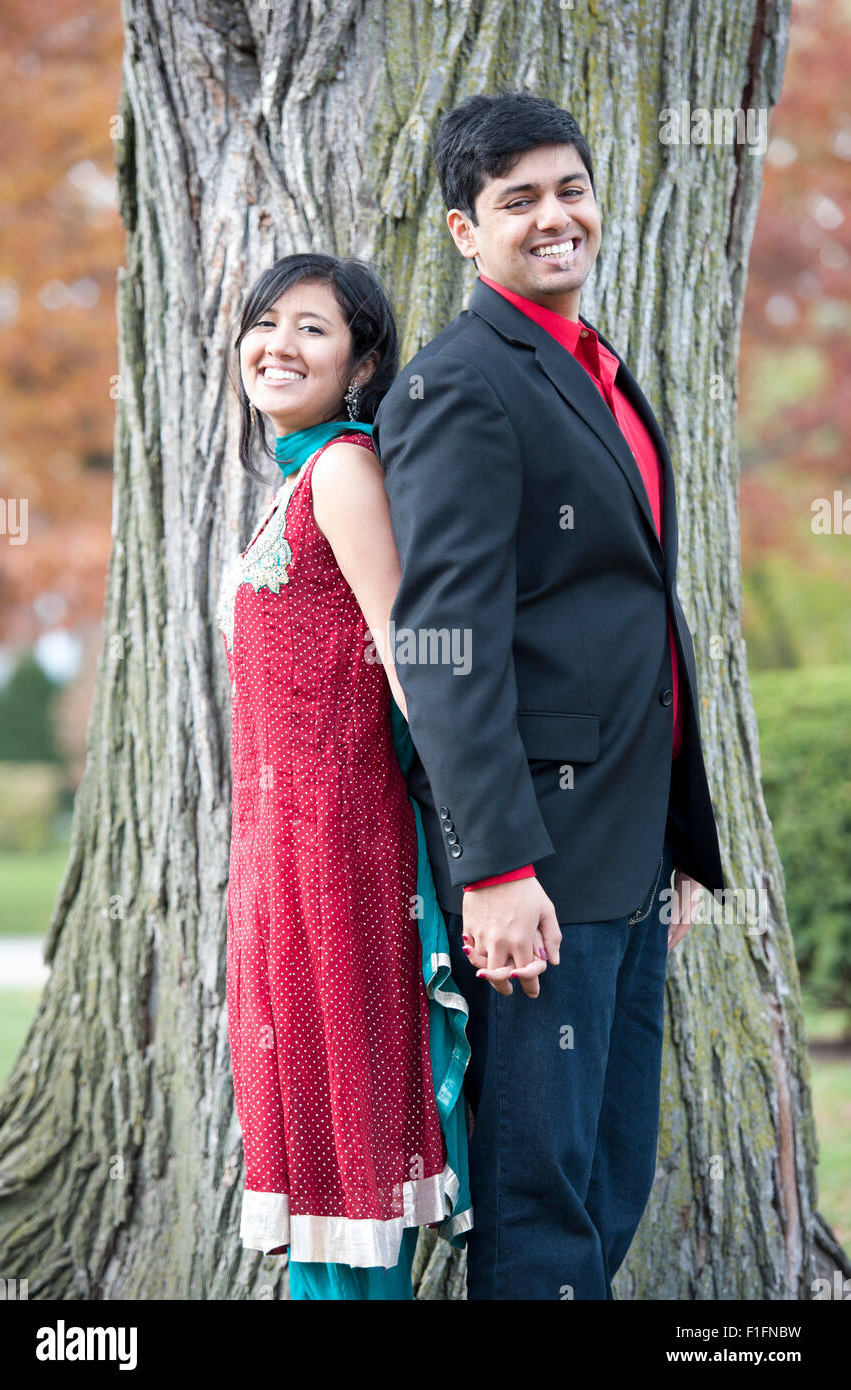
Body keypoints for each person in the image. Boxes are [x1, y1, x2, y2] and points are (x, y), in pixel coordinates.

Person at [372, 91, 726, 1301]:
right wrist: (498, 869)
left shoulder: (600, 370)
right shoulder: (462, 384)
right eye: (516, 200)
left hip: (623, 853)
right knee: (540, 1200)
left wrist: (678, 836)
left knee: (609, 1179)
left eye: (567, 188)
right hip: (537, 857)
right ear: (465, 232)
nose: (553, 216)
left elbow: (628, 621)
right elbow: (444, 645)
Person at [216, 253, 472, 1300]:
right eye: (265, 321)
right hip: (280, 863)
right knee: (310, 1135)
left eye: (312, 328)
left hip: (348, 862)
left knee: (351, 1137)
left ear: (363, 361)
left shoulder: (344, 473)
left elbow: (414, 665)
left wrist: (487, 842)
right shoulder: (291, 480)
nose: (278, 344)